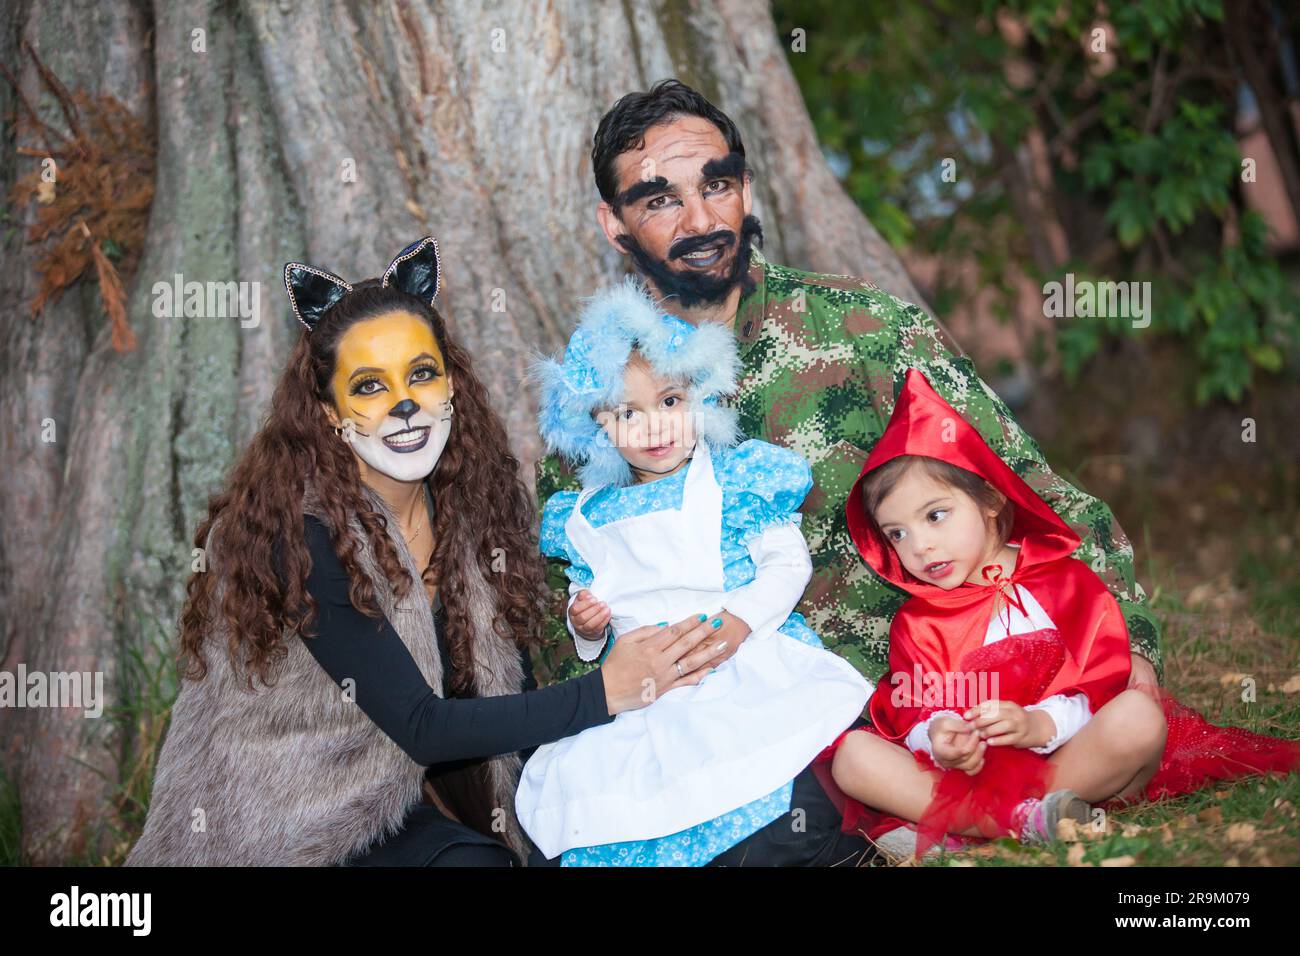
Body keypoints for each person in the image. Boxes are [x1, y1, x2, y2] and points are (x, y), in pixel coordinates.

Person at [534, 77, 1165, 861]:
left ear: (747, 189)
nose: (699, 219)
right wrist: (607, 675)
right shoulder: (597, 392)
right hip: (705, 727)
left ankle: (986, 805)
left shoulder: (865, 331)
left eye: (717, 185)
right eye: (659, 200)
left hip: (920, 701)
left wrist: (1129, 656)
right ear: (614, 223)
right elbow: (564, 590)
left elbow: (1029, 487)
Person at [125, 238, 727, 867]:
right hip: (286, 825)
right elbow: (421, 725)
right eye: (369, 386)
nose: (404, 404)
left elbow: (507, 690)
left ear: (449, 384)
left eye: (420, 374)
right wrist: (607, 691)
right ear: (330, 412)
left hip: (416, 808)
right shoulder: (300, 535)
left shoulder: (471, 513)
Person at [815, 369, 1300, 860]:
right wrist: (940, 737)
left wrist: (1038, 726)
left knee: (1139, 718)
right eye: (896, 533)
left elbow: (1100, 682)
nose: (919, 545)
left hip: (1069, 756)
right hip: (972, 775)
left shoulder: (1063, 583)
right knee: (853, 758)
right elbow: (918, 704)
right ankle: (1023, 819)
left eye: (935, 515)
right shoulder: (918, 623)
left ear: (989, 499)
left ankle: (983, 821)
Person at [517, 280, 871, 866]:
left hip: (737, 658)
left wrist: (740, 621)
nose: (654, 427)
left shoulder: (736, 479)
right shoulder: (584, 516)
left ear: (700, 398)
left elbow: (787, 563)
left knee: (765, 773)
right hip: (644, 689)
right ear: (599, 427)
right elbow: (591, 609)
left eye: (670, 402)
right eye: (628, 413)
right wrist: (586, 626)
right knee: (618, 793)